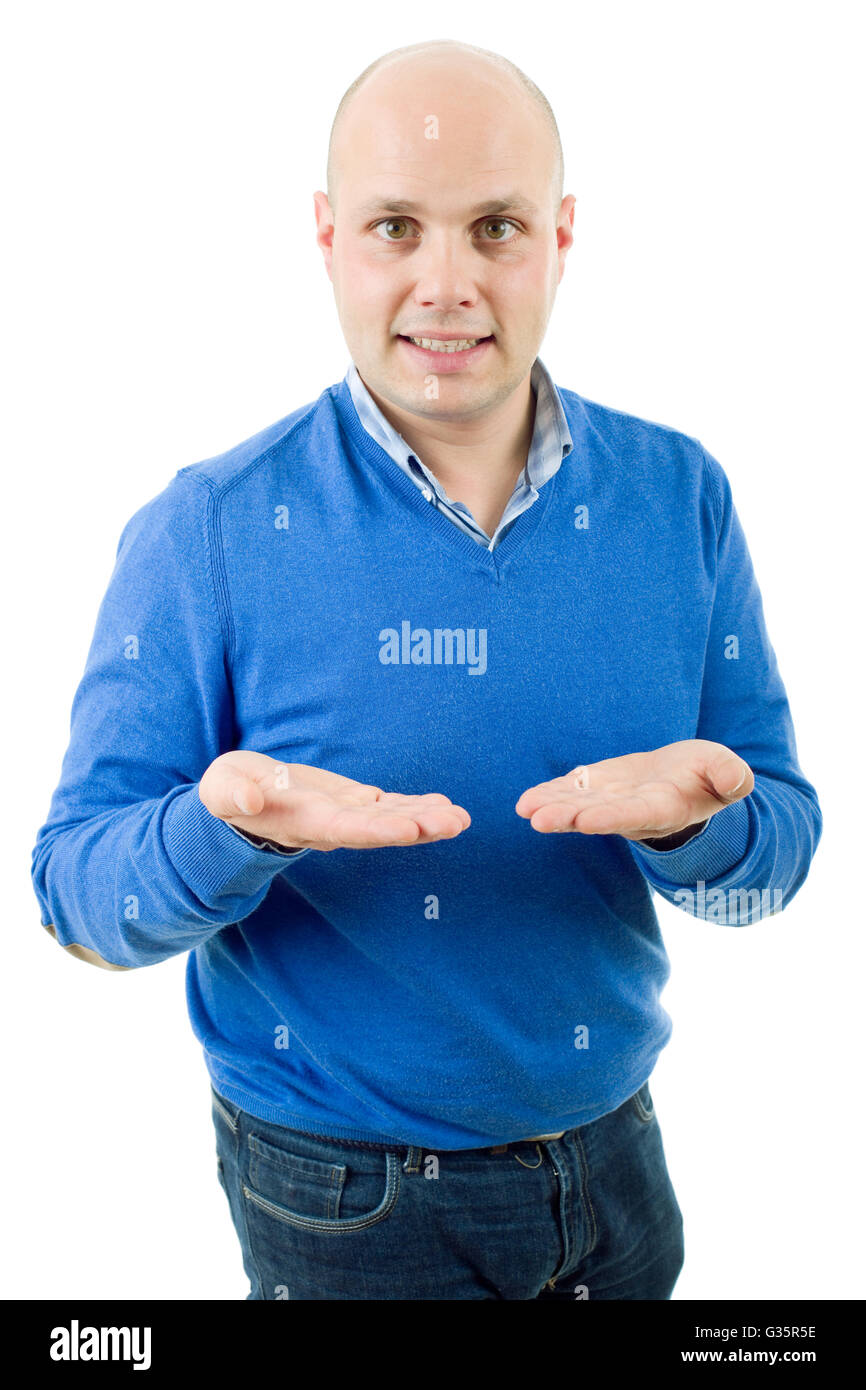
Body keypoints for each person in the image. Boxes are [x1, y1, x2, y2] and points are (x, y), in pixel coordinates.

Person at [31, 38, 822, 1301]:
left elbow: (774, 852)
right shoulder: (210, 530)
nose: (445, 283)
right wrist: (227, 829)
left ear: (560, 237)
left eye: (494, 226)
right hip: (344, 1202)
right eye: (396, 226)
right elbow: (77, 904)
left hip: (620, 1172)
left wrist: (705, 827)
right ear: (328, 236)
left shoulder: (680, 496)